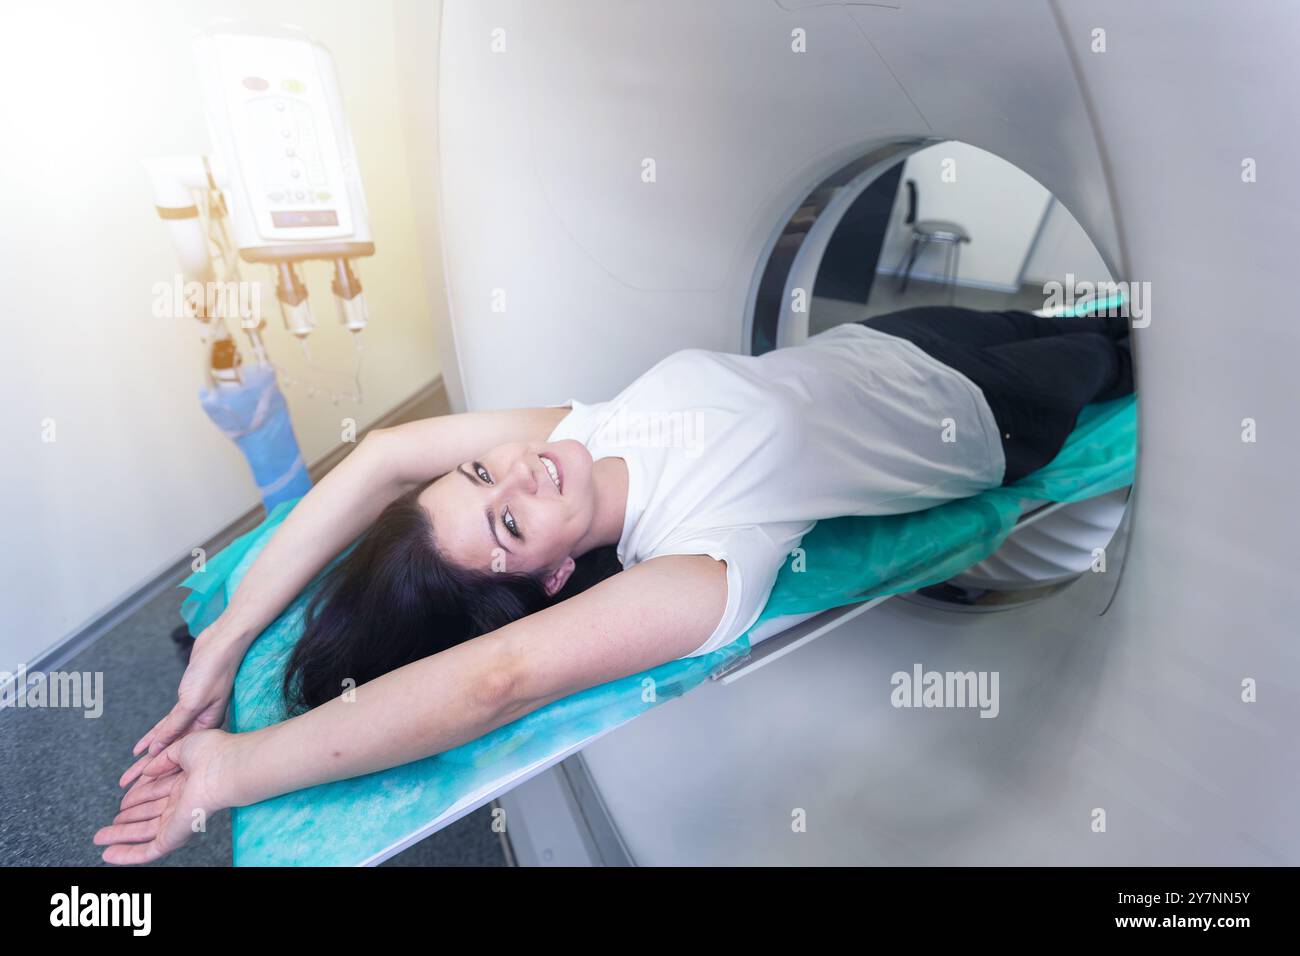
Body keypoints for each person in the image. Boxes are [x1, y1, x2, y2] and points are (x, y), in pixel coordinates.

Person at [97, 305, 1132, 863]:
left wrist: (230, 635)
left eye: (478, 473)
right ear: (551, 571)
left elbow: (380, 457)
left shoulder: (576, 433)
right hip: (996, 416)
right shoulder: (703, 556)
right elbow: (495, 675)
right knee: (1132, 347)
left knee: (1082, 305)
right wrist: (233, 769)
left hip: (897, 336)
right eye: (504, 518)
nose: (513, 469)